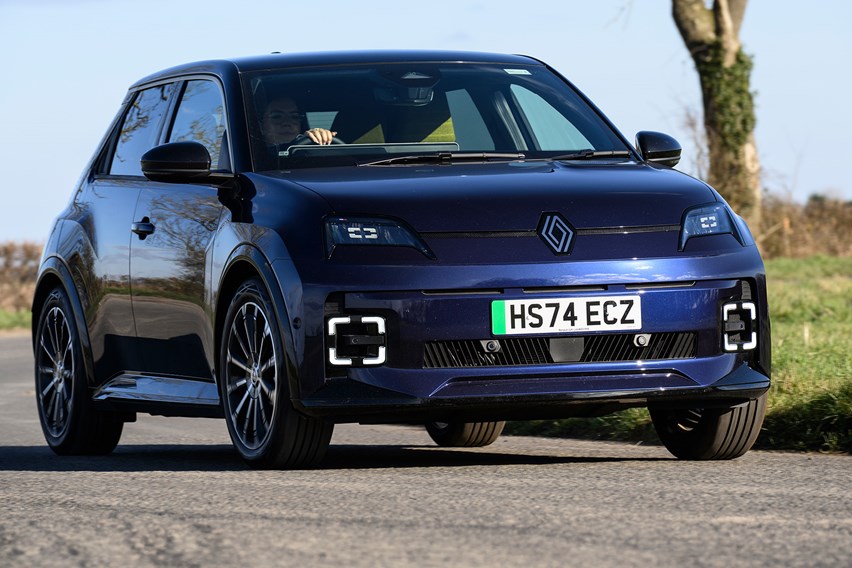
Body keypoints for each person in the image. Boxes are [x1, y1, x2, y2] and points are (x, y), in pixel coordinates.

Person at [260, 97, 337, 147]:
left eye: (294, 117)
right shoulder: (249, 161)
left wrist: (320, 139)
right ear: (261, 126)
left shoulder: (312, 156)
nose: (287, 123)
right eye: (277, 117)